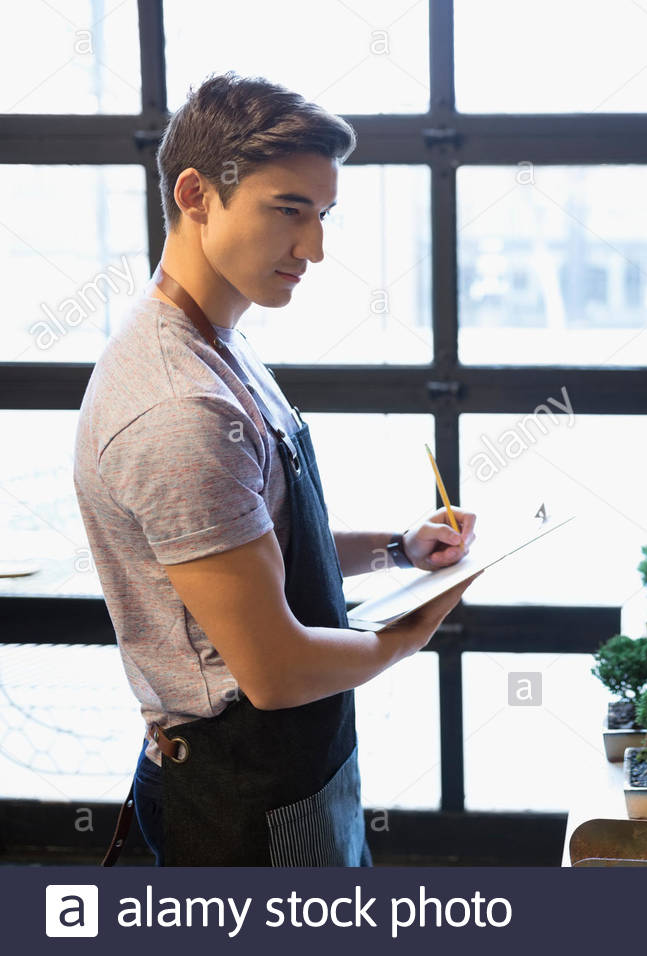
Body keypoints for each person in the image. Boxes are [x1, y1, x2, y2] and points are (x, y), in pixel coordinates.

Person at [72, 73, 476, 866]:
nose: (315, 248)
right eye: (289, 209)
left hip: (298, 769)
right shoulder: (179, 406)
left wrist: (398, 547)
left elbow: (269, 539)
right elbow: (277, 671)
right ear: (195, 194)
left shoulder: (222, 348)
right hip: (237, 798)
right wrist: (407, 636)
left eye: (322, 215)